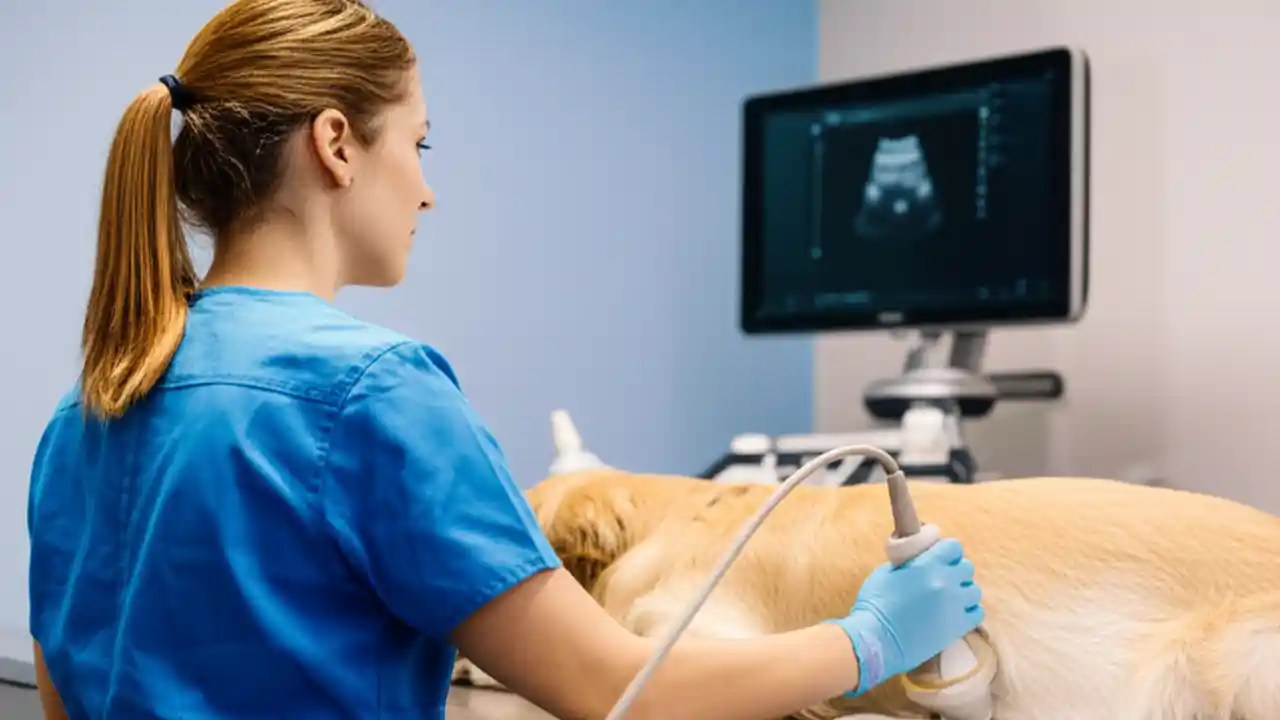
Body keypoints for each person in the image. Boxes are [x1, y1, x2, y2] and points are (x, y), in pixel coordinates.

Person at [25, 1, 986, 718]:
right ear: (335, 146)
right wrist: (868, 641)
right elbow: (621, 692)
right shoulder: (371, 394)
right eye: (418, 141)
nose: (428, 190)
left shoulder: (87, 411)